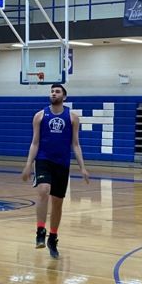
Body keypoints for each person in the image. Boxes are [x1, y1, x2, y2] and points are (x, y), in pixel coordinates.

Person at [21, 83, 90, 258]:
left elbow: (75, 144)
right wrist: (28, 164)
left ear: (64, 97)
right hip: (44, 159)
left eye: (57, 91)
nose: (53, 93)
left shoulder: (72, 118)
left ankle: (53, 236)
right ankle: (40, 231)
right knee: (43, 191)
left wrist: (82, 167)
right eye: (52, 91)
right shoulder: (40, 116)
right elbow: (35, 142)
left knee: (58, 202)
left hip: (62, 163)